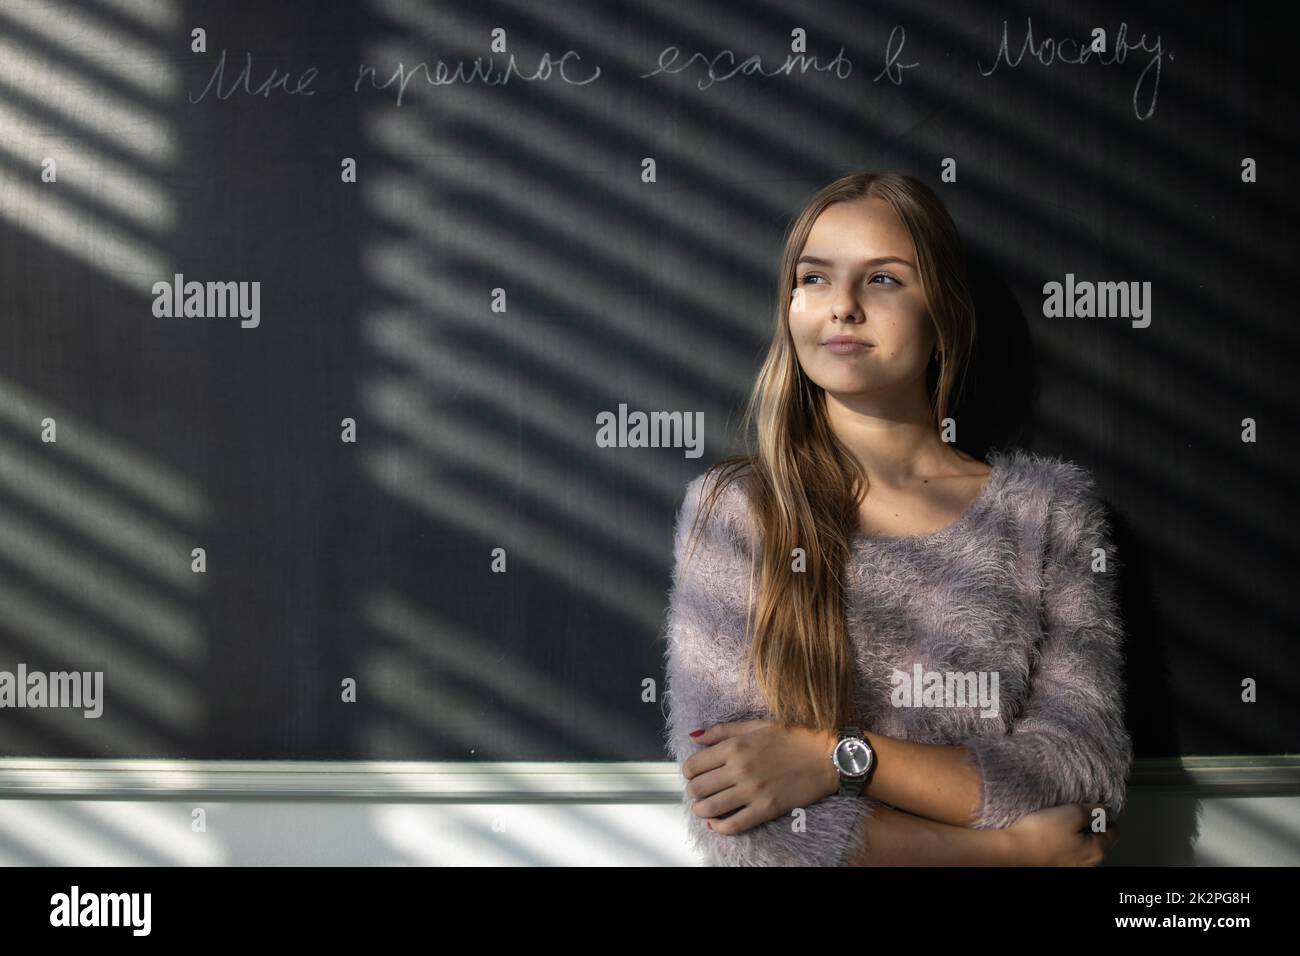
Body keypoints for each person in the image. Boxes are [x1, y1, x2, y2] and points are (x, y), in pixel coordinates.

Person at [660, 172, 1132, 866]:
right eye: (815, 279)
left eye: (882, 281)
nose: (842, 307)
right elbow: (740, 817)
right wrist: (1013, 853)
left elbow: (1081, 773)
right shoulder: (737, 513)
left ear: (943, 315)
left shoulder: (1049, 515)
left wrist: (836, 759)